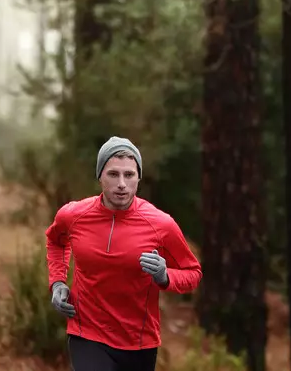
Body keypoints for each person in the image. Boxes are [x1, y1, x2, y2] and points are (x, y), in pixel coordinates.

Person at [45, 136, 202, 371]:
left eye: (129, 175)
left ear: (138, 177)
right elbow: (55, 241)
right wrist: (57, 283)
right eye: (113, 174)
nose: (121, 184)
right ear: (100, 176)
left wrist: (164, 276)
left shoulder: (161, 224)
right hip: (87, 333)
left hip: (138, 341)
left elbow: (193, 273)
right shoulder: (73, 215)